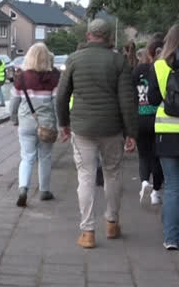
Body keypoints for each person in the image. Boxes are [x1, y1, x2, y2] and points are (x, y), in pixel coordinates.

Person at [57, 19, 138, 249]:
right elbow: (127, 100)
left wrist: (63, 122)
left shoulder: (74, 59)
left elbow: (62, 95)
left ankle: (88, 231)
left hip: (82, 129)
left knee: (85, 176)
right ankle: (112, 222)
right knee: (112, 174)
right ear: (109, 38)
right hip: (112, 129)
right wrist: (131, 132)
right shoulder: (118, 61)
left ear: (89, 35)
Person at [10, 43, 61, 207]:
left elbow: (14, 103)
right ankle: (44, 191)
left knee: (27, 157)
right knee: (45, 157)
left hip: (26, 123)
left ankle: (23, 188)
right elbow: (56, 104)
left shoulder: (21, 78)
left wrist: (14, 119)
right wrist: (60, 124)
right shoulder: (53, 78)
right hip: (46, 124)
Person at [147, 23, 179, 251]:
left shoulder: (159, 66)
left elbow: (151, 99)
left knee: (171, 187)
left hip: (167, 133)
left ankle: (171, 238)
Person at [134, 38, 166, 207]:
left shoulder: (139, 70)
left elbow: (131, 94)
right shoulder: (164, 69)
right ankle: (156, 192)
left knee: (143, 155)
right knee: (157, 156)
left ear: (148, 52)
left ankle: (144, 181)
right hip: (159, 119)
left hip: (140, 118)